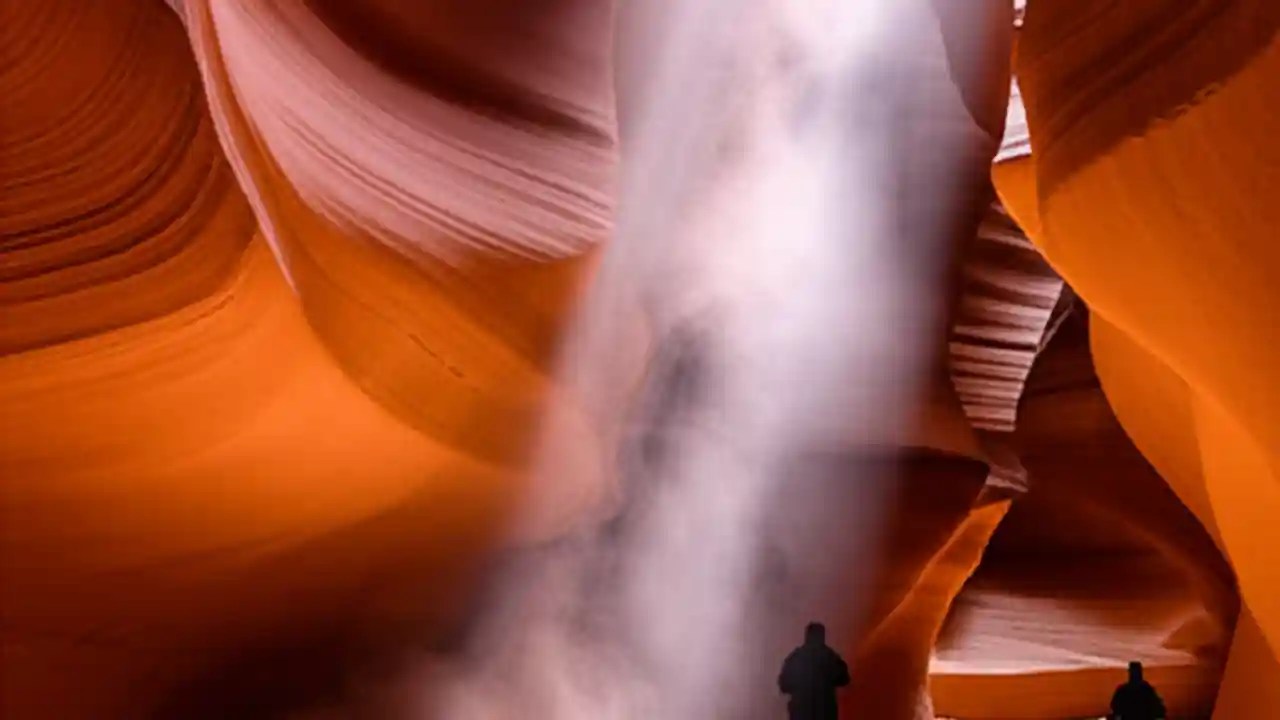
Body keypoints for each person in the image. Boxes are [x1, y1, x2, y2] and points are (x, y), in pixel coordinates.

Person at [778, 622, 850, 720]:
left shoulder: (796, 657)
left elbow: (784, 685)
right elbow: (844, 679)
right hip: (825, 713)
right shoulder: (830, 656)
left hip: (800, 714)